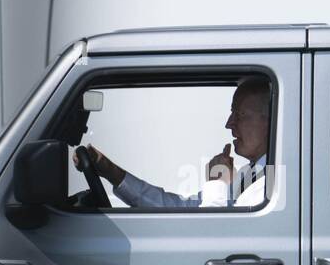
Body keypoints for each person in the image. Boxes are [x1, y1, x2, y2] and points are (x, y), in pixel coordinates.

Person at [79, 79, 270, 208]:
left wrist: (217, 183)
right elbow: (182, 209)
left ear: (272, 120)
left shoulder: (273, 185)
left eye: (241, 114)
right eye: (231, 113)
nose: (229, 123)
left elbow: (213, 237)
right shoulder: (250, 174)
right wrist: (111, 172)